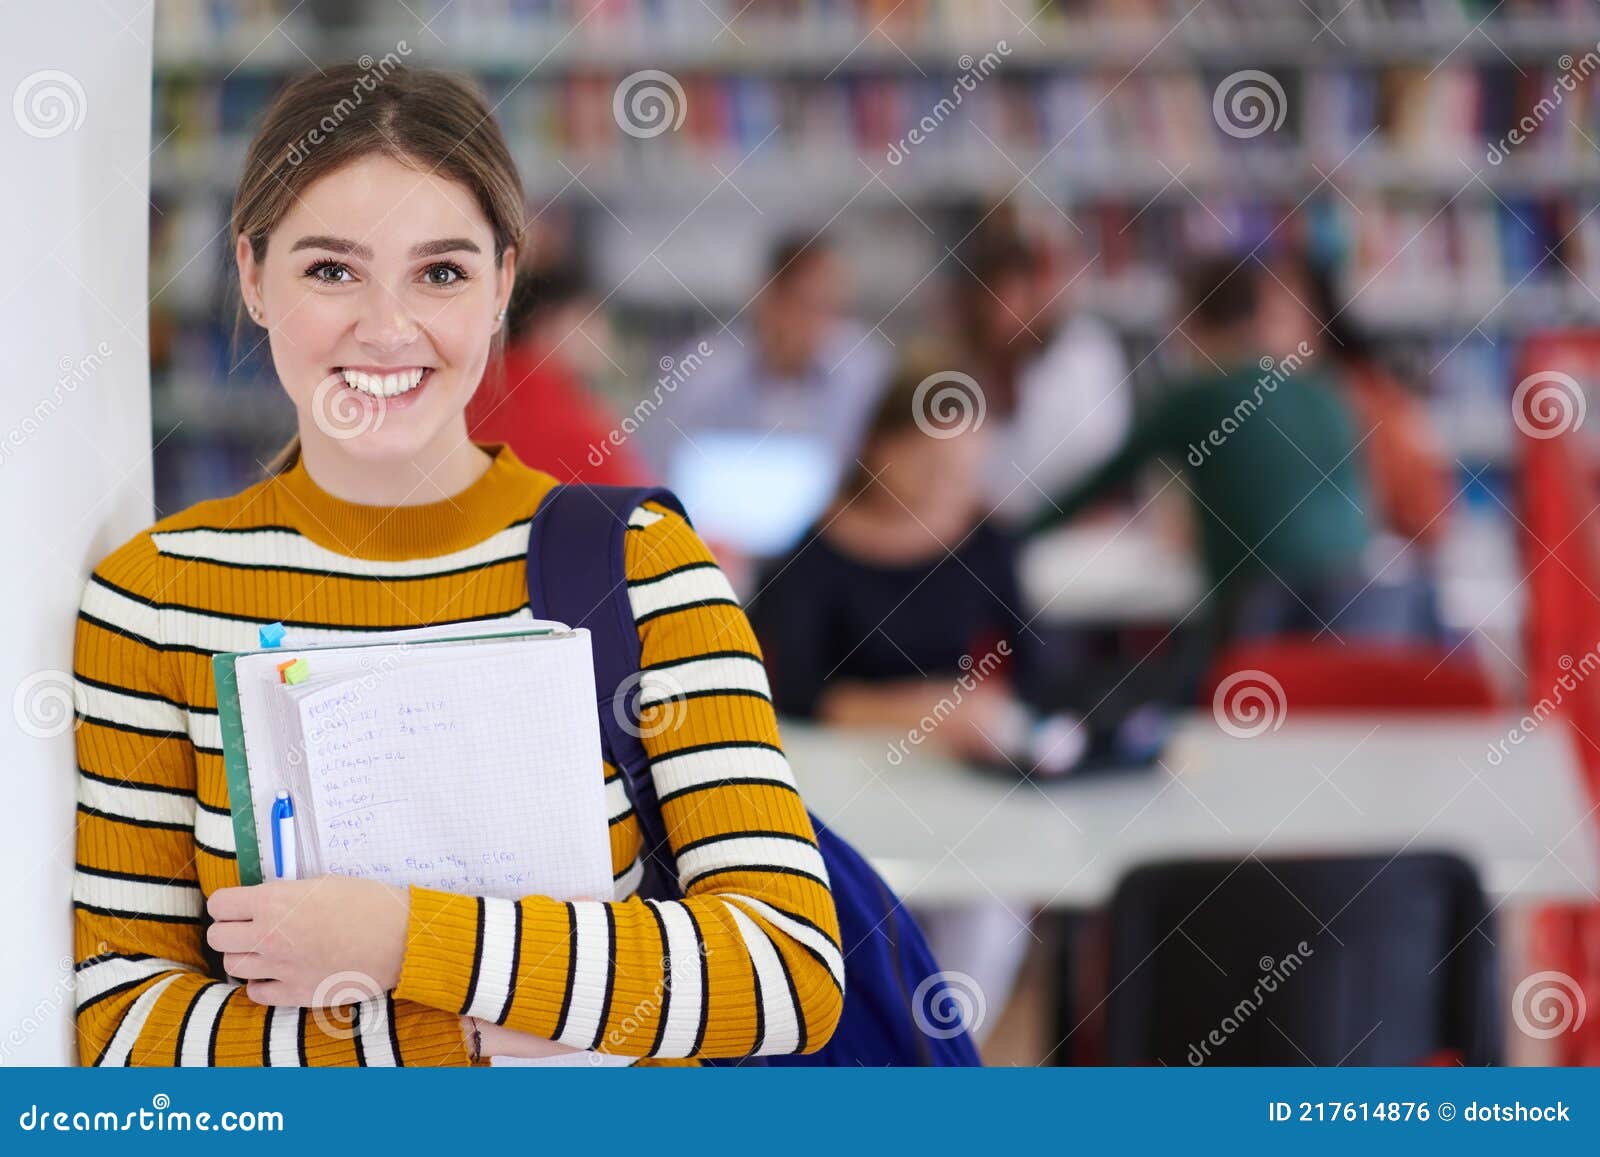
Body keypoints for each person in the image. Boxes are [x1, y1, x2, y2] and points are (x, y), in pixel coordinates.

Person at [72, 65, 841, 1067]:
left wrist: (396, 939)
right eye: (331, 269)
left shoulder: (646, 570)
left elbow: (785, 971)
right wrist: (501, 1022)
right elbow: (123, 1028)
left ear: (502, 287)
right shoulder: (153, 599)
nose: (387, 328)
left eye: (441, 272)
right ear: (253, 277)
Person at [748, 354, 1037, 1038]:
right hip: (842, 787)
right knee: (859, 916)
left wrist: (981, 714)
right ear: (880, 448)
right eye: (933, 470)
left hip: (961, 786)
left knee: (994, 908)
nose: (949, 492)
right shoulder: (812, 554)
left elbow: (1038, 671)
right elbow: (793, 694)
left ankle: (937, 1064)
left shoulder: (986, 539)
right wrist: (932, 707)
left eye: (965, 474)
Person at [1024, 255, 1380, 644]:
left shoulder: (1195, 398)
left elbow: (1098, 483)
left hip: (1256, 616)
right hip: (1358, 610)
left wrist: (1008, 536)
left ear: (1189, 321)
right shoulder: (1325, 391)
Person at [1258, 248, 1455, 643]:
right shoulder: (1259, 402)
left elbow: (1427, 517)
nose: (1259, 335)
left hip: (1369, 585)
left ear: (1318, 321)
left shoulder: (1364, 398)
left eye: (1275, 318)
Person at [642, 233, 891, 491]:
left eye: (832, 307)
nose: (816, 323)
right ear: (766, 295)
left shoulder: (866, 373)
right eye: (804, 303)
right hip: (715, 523)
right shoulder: (700, 373)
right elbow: (650, 467)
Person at [953, 219, 1131, 527]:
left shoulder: (1082, 350)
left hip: (1075, 527)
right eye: (992, 299)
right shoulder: (973, 367)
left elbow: (1087, 454)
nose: (1003, 312)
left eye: (1014, 296)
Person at [465, 254, 651, 486]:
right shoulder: (575, 424)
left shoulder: (464, 390)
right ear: (545, 323)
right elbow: (642, 512)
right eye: (589, 318)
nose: (603, 334)